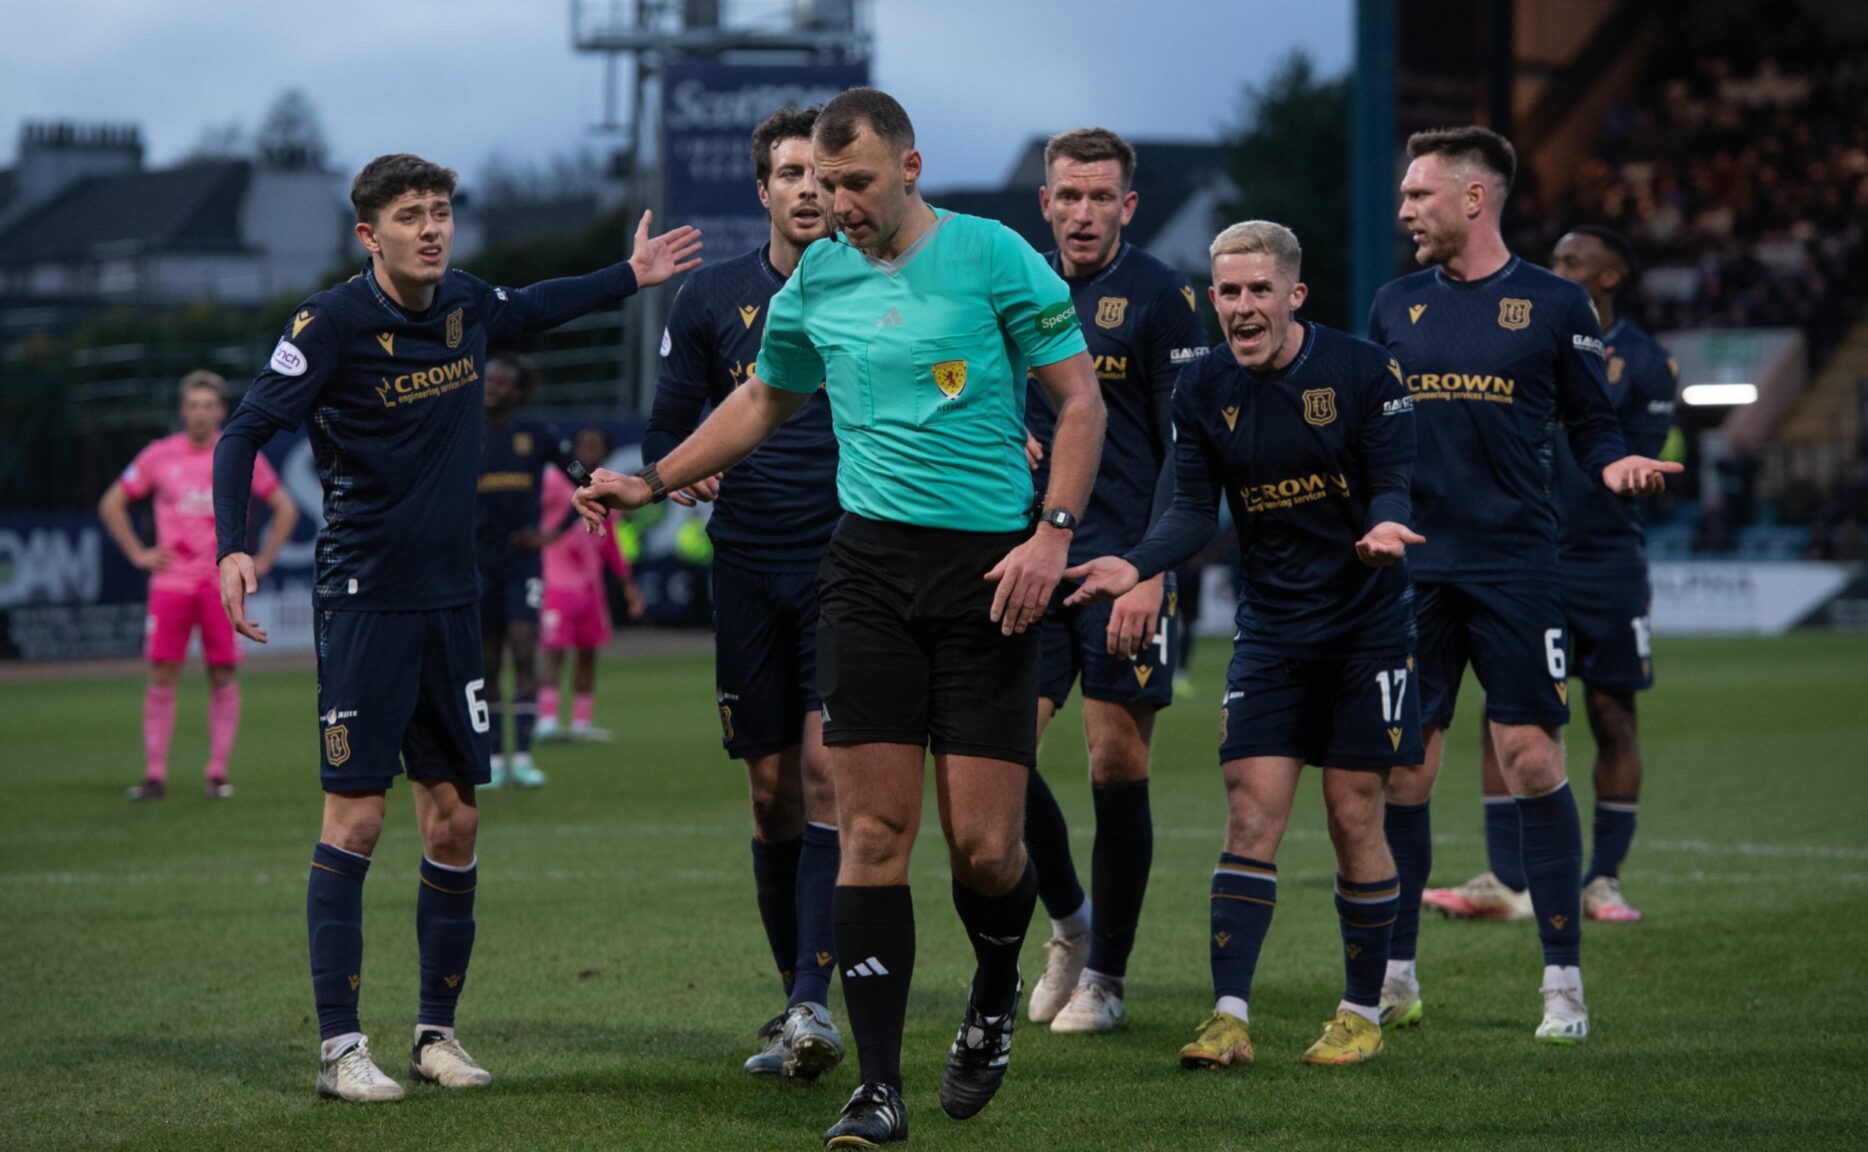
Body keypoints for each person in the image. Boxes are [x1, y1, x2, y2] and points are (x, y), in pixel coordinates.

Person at [577, 87, 1104, 1149]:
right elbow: (764, 399)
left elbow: (1080, 402)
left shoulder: (994, 255)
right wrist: (655, 478)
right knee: (869, 832)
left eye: (856, 183)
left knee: (985, 851)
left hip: (987, 577)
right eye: (822, 184)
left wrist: (1051, 537)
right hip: (862, 572)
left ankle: (995, 986)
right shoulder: (817, 275)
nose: (837, 204)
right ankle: (876, 1087)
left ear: (908, 169)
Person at [212, 152, 698, 1102]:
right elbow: (242, 434)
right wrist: (232, 544)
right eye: (410, 216)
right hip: (364, 600)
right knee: (356, 818)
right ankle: (341, 1046)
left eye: (440, 212)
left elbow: (540, 304)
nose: (431, 229)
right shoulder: (329, 324)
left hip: (453, 601)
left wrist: (628, 279)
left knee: (458, 817)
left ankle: (436, 1033)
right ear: (369, 235)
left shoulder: (468, 303)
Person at [1067, 219, 1422, 1070]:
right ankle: (1229, 1017)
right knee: (1250, 811)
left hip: (1367, 629)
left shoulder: (1364, 372)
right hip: (1270, 629)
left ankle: (1360, 1010)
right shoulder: (1204, 388)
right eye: (1228, 291)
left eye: (1259, 290)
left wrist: (1382, 527)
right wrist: (1140, 561)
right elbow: (1191, 509)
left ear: (1295, 294)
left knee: (1352, 814)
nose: (1242, 307)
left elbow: (1396, 482)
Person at [1366, 127, 1680, 1044]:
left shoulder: (1555, 305)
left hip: (1517, 565)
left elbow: (1590, 422)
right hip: (1416, 568)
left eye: (1419, 194)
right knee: (1405, 768)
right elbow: (1371, 430)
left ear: (1474, 199)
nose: (1404, 211)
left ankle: (1563, 982)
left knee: (1533, 757)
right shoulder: (1393, 305)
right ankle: (1394, 975)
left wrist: (1617, 463)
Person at [643, 104, 848, 1080]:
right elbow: (664, 435)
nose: (809, 190)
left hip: (847, 565)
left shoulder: (877, 286)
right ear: (762, 189)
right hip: (745, 569)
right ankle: (793, 1003)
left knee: (821, 775)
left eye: (824, 174)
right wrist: (682, 473)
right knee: (767, 794)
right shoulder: (708, 300)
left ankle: (814, 1000)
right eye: (792, 175)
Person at [1425, 226, 1677, 925]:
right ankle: (1508, 880)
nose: (1558, 270)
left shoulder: (1648, 363)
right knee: (1504, 708)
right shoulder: (1529, 333)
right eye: (1555, 259)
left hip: (1605, 559)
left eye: (1574, 262)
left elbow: (1627, 456)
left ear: (1611, 274)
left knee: (1611, 712)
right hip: (1523, 552)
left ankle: (1604, 879)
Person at [1018, 127, 1208, 1035]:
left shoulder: (1164, 298)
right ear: (1045, 202)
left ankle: (1111, 981)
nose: (1083, 212)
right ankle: (1071, 925)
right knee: (999, 755)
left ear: (1128, 206)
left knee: (1113, 759)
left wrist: (1150, 570)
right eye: (1068, 195)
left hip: (1122, 561)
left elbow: (1189, 449)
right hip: (1026, 557)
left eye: (1101, 198)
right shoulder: (1013, 285)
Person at [99, 370, 298, 800]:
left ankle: (217, 772)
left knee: (223, 672)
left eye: (209, 405)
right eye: (193, 405)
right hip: (170, 584)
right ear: (182, 410)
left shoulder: (237, 452)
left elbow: (284, 507)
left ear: (222, 410)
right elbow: (112, 502)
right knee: (163, 673)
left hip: (219, 584)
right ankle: (154, 775)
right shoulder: (159, 455)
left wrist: (262, 558)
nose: (201, 414)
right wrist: (139, 553)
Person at [475, 352, 577, 789]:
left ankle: (524, 757)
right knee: (487, 660)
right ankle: (494, 758)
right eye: (489, 379)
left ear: (518, 392)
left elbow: (584, 479)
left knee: (523, 649)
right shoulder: (461, 433)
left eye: (503, 382)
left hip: (522, 562)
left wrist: (554, 533)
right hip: (477, 562)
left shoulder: (536, 435)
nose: (493, 387)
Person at [536, 426, 644, 743]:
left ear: (607, 452)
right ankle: (547, 720)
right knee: (552, 651)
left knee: (588, 654)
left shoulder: (610, 489)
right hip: (556, 583)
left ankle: (582, 723)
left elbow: (613, 546)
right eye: (584, 445)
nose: (589, 451)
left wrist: (628, 588)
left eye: (596, 446)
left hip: (591, 589)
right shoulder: (554, 481)